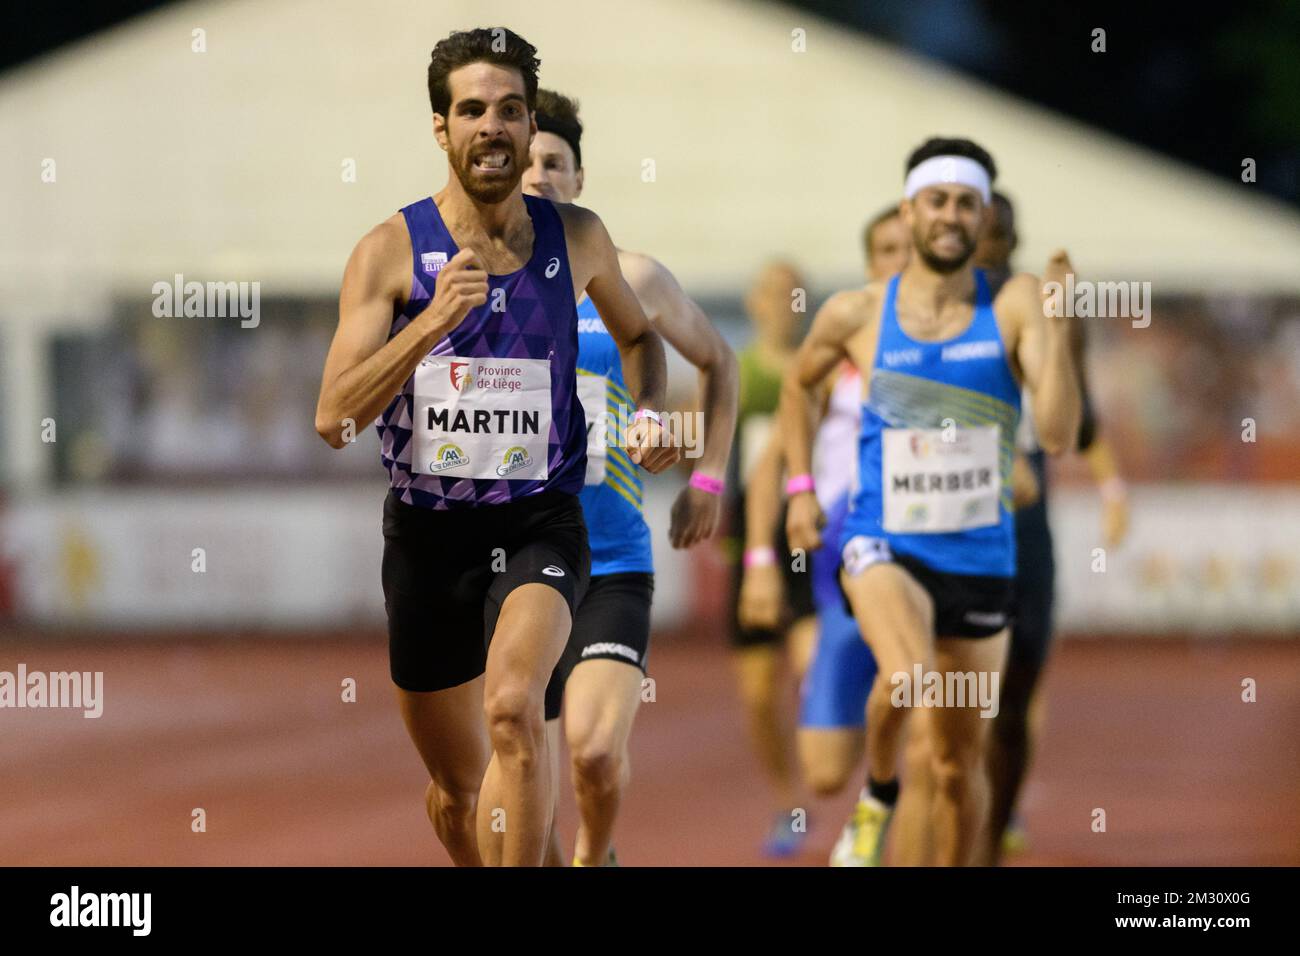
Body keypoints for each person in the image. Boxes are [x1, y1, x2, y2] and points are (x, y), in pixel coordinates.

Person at [313, 28, 679, 867]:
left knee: (515, 708)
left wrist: (650, 412)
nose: (493, 127)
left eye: (509, 110)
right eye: (471, 109)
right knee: (458, 795)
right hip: (428, 538)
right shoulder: (389, 252)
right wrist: (433, 323)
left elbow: (642, 340)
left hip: (541, 523)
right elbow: (334, 416)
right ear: (441, 128)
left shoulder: (577, 236)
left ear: (526, 124)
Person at [780, 137, 1082, 866]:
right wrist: (798, 491)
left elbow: (1062, 432)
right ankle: (877, 796)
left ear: (984, 219)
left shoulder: (1013, 304)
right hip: (883, 542)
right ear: (911, 209)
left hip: (980, 556)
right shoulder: (856, 313)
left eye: (967, 204)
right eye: (938, 201)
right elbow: (800, 386)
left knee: (955, 767)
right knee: (908, 675)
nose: (952, 216)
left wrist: (1062, 329)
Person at [521, 89, 739, 867]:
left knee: (593, 752)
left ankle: (597, 857)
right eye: (528, 159)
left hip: (610, 561)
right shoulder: (471, 286)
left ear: (579, 180)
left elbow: (719, 360)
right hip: (511, 567)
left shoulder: (632, 279)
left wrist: (707, 477)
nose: (538, 175)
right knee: (524, 787)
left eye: (556, 163)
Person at [739, 206, 909, 865]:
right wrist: (758, 559)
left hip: (932, 556)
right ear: (870, 265)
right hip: (840, 563)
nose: (900, 261)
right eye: (886, 250)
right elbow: (763, 475)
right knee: (828, 772)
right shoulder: (835, 359)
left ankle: (895, 798)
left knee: (936, 724)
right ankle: (873, 779)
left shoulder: (956, 345)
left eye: (908, 248)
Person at [975, 191, 1130, 863]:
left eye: (997, 236)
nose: (985, 246)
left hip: (1021, 520)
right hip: (928, 525)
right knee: (932, 693)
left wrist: (1065, 328)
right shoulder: (910, 308)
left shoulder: (1039, 308)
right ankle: (914, 804)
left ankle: (994, 816)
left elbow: (1078, 425)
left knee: (1015, 693)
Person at [723, 260, 820, 855]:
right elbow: (712, 456)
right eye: (770, 293)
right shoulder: (735, 373)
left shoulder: (825, 371)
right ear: (754, 303)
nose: (781, 303)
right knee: (760, 695)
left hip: (815, 547)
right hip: (753, 552)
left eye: (791, 294)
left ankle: (855, 779)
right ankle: (790, 802)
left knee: (816, 673)